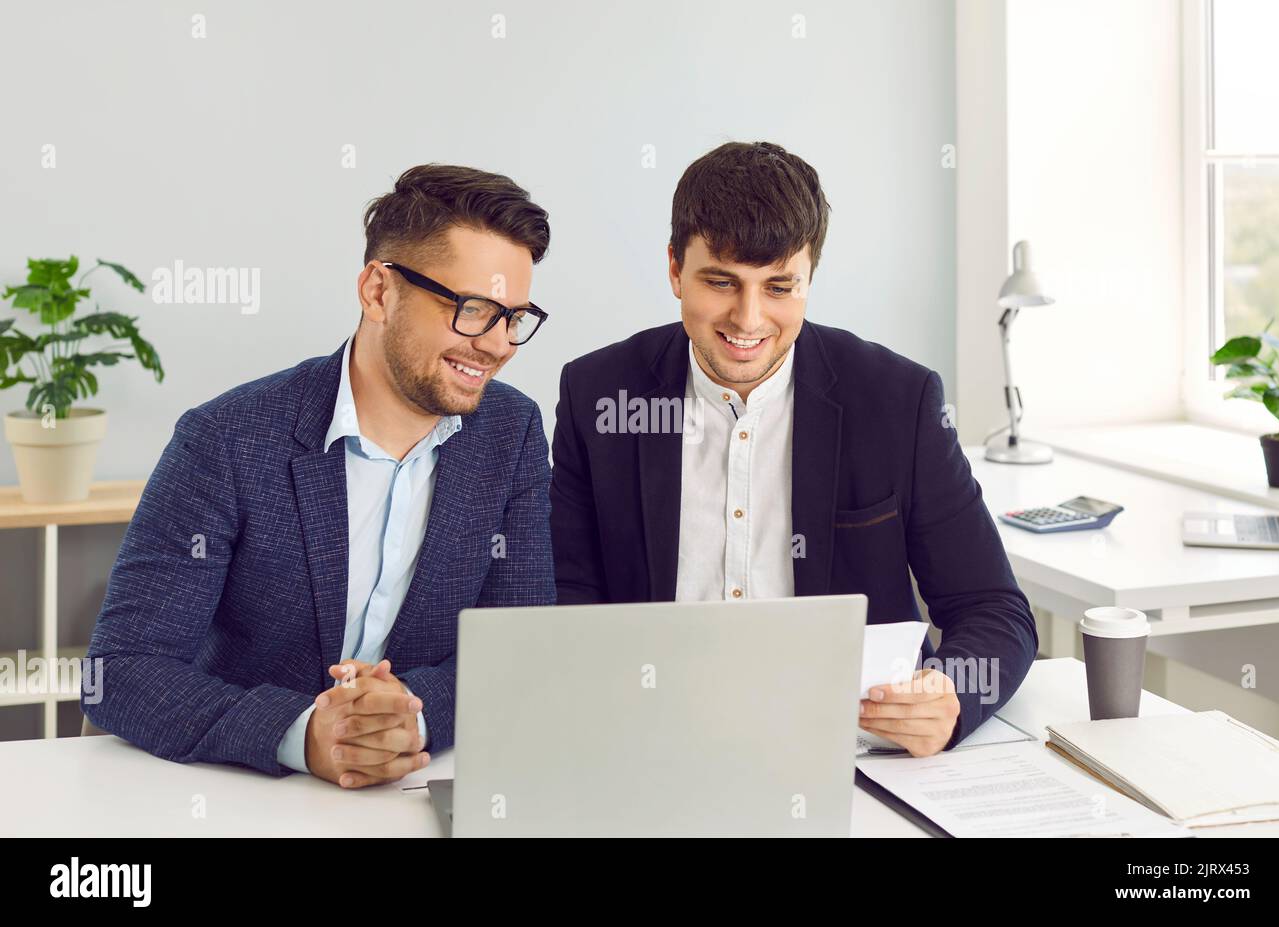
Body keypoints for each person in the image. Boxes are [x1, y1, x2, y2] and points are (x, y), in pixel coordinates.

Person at [549, 141, 1037, 756]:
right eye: (721, 282)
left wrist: (951, 693)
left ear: (810, 279)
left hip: (855, 758)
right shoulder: (599, 394)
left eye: (779, 287)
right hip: (653, 746)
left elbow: (992, 608)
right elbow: (565, 599)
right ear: (675, 269)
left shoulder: (897, 400)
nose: (749, 319)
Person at [84, 164, 555, 786]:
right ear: (378, 291)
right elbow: (121, 669)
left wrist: (409, 716)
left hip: (413, 790)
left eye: (513, 317)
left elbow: (518, 648)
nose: (497, 345)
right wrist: (303, 733)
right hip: (237, 793)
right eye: (472, 309)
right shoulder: (227, 438)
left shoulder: (511, 431)